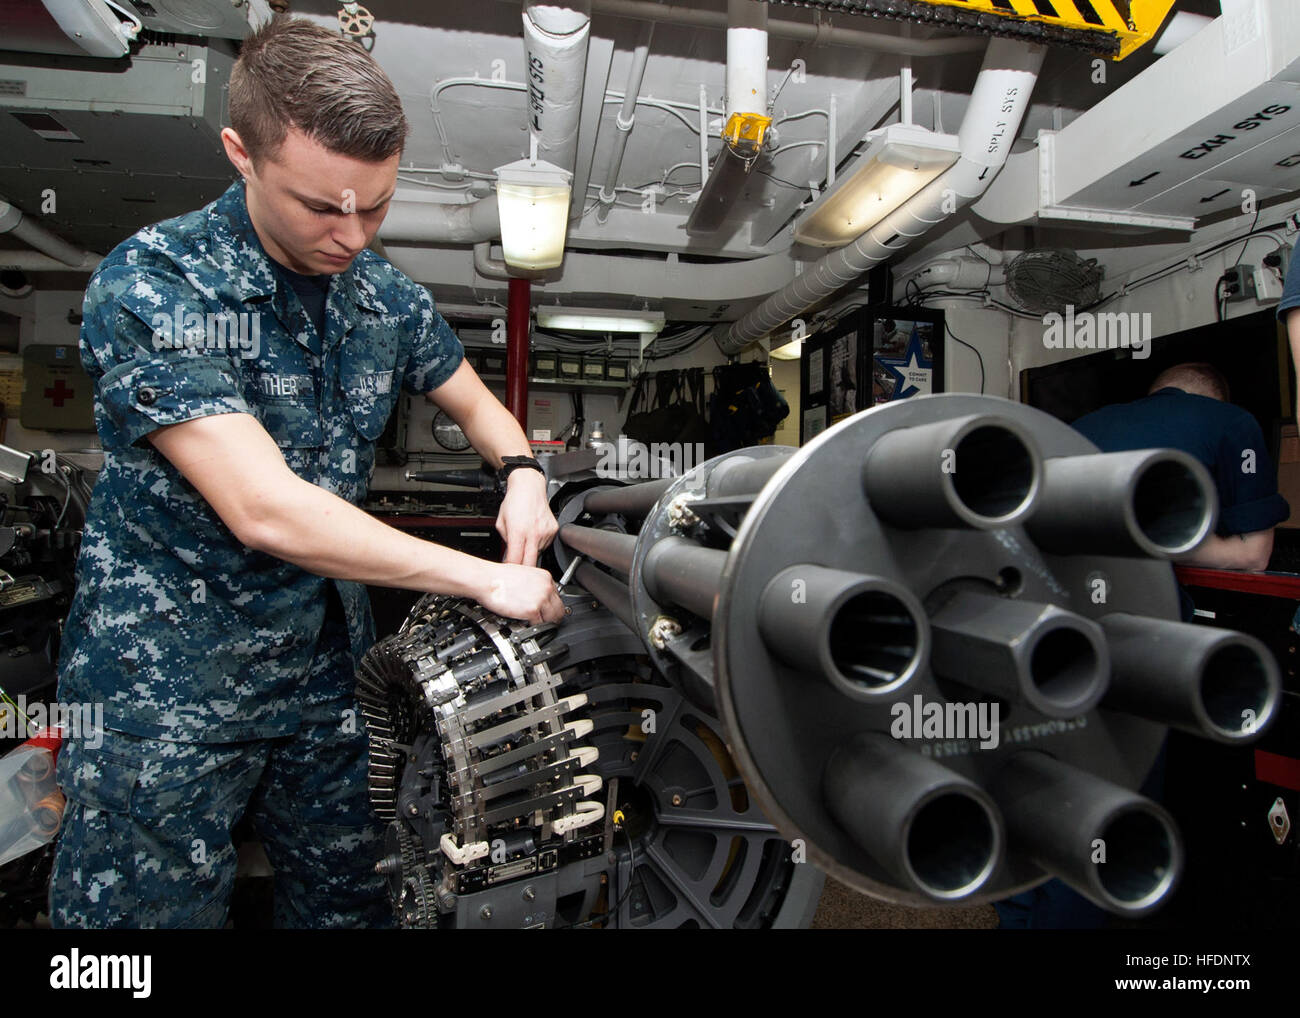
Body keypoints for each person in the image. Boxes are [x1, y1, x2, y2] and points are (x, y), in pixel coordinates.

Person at [49, 16, 563, 929]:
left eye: (377, 203)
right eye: (324, 206)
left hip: (326, 682)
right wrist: (494, 580)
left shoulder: (385, 297)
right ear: (241, 154)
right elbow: (265, 510)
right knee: (139, 926)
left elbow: (482, 409)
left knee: (353, 903)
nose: (353, 233)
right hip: (169, 688)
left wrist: (522, 470)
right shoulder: (160, 284)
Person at [1071, 362, 1288, 572]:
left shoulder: (1081, 426)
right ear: (1215, 401)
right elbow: (1254, 556)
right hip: (1148, 594)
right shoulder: (1233, 420)